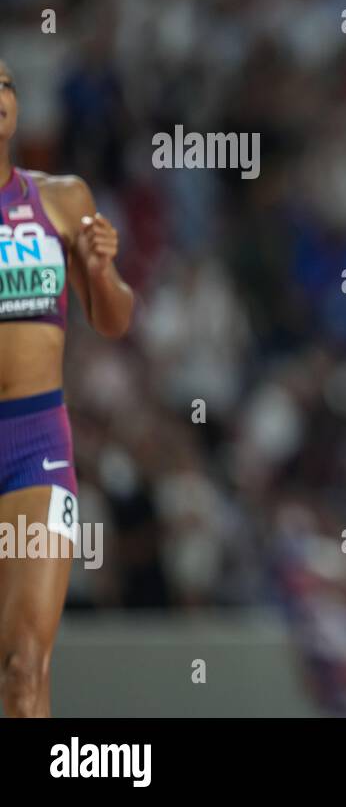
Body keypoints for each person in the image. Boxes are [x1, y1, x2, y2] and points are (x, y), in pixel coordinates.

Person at [0, 59, 135, 717]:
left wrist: (104, 272)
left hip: (33, 445)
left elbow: (113, 321)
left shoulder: (60, 198)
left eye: (4, 83)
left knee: (25, 662)